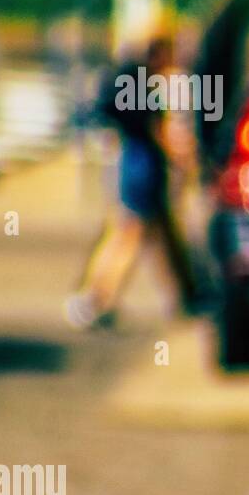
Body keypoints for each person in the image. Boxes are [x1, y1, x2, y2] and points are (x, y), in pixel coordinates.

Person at [65, 36, 199, 329]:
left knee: (151, 235)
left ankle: (187, 295)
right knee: (129, 235)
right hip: (143, 167)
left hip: (131, 161)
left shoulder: (133, 81)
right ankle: (95, 299)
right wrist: (183, 159)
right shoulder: (144, 87)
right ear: (160, 55)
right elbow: (158, 130)